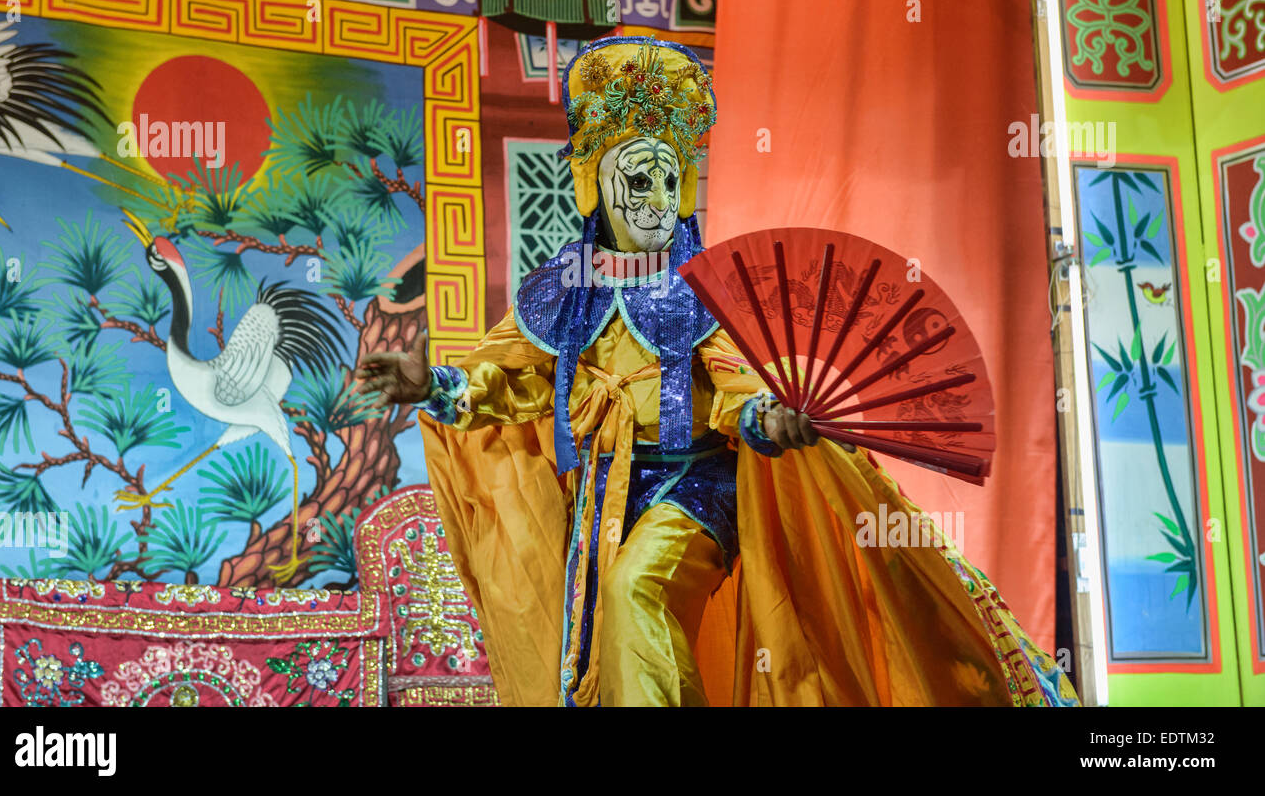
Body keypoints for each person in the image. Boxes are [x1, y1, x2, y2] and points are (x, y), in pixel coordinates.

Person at [358, 36, 1077, 708]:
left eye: (672, 179)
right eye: (637, 179)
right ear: (596, 183)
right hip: (604, 494)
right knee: (602, 645)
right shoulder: (565, 283)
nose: (657, 200)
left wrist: (767, 417)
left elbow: (737, 383)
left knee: (640, 588)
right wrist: (433, 386)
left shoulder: (702, 285)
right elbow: (516, 378)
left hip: (697, 484)